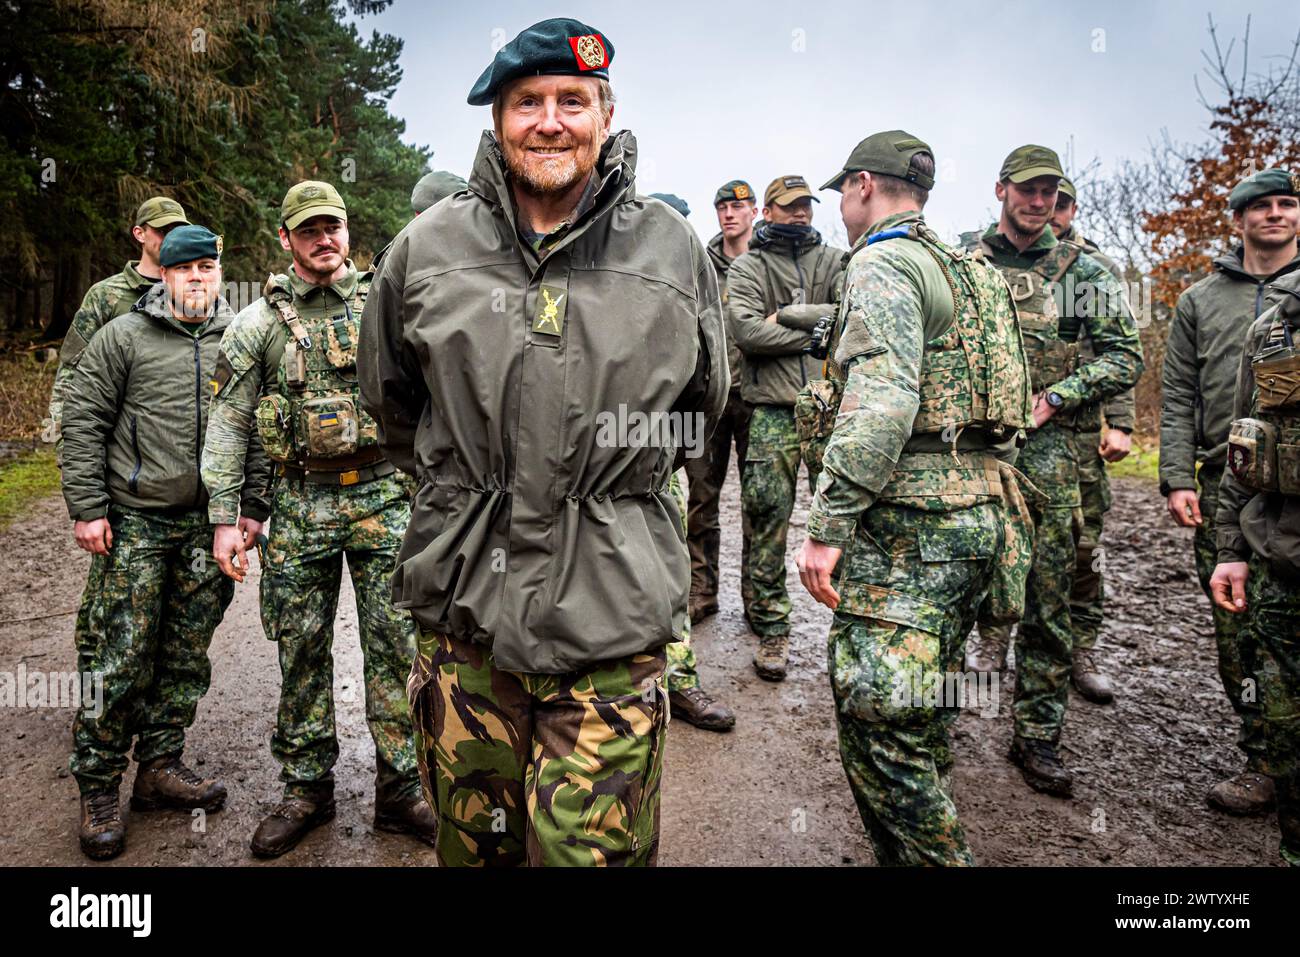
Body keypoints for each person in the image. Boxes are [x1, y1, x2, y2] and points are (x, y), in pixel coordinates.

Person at [359, 17, 727, 866]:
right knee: (477, 849)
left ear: (605, 115)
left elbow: (703, 408)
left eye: (573, 100)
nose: (550, 121)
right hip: (466, 620)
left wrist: (604, 488)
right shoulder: (427, 248)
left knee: (590, 856)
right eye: (528, 102)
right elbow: (391, 401)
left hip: (611, 617)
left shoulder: (671, 251)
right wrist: (474, 480)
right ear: (497, 120)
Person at [796, 129, 1034, 865]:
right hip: (980, 518)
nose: (839, 204)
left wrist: (827, 524)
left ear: (865, 185)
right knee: (922, 712)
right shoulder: (970, 269)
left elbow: (884, 402)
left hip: (911, 534)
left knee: (882, 727)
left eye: (842, 189)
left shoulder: (884, 262)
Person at [201, 180, 436, 858]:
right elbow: (230, 423)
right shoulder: (256, 324)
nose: (323, 239)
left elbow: (430, 395)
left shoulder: (385, 308)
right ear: (286, 239)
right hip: (301, 505)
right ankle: (306, 787)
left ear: (347, 231)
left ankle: (400, 786)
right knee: (301, 647)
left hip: (384, 499)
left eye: (332, 226)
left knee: (395, 644)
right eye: (308, 230)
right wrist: (227, 515)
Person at [963, 146, 1142, 797]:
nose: (1038, 203)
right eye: (1027, 190)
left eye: (1049, 193)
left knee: (1048, 602)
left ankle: (1037, 736)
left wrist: (1060, 395)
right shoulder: (964, 261)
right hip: (973, 455)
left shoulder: (1082, 271)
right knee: (960, 586)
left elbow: (1125, 357)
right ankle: (936, 722)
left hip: (1052, 462)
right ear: (1001, 189)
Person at [61, 225, 234, 860]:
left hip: (206, 525)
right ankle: (99, 784)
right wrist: (88, 507)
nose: (196, 278)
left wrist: (246, 510)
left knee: (185, 655)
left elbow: (257, 424)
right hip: (136, 521)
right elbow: (83, 420)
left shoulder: (236, 336)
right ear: (164, 273)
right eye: (185, 268)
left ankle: (160, 767)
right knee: (120, 655)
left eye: (208, 267)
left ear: (219, 272)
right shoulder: (123, 337)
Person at [1162, 167, 1300, 815]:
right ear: (1239, 219)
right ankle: (1263, 759)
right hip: (1225, 479)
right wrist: (1174, 474)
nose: (1276, 214)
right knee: (1235, 626)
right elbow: (1179, 395)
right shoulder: (1201, 300)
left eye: (1287, 204)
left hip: (1292, 486)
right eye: (1262, 206)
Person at [729, 175, 845, 679]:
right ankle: (772, 627)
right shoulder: (748, 266)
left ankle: (851, 623)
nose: (800, 214)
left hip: (830, 412)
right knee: (767, 519)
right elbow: (748, 331)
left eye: (806, 206)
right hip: (773, 412)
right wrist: (818, 335)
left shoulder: (836, 261)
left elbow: (851, 316)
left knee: (842, 519)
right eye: (789, 207)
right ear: (767, 212)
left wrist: (795, 316)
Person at [1210, 262, 1300, 866]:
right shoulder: (1276, 329)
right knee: (1287, 733)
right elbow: (1248, 443)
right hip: (1285, 564)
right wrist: (1230, 549)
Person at [47, 197, 190, 460]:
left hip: (178, 451)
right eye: (162, 230)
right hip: (118, 447)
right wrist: (64, 442)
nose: (170, 239)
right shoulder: (106, 296)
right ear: (140, 233)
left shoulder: (192, 294)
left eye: (176, 231)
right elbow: (71, 371)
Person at [686, 179, 757, 625]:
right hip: (710, 398)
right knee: (700, 499)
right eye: (722, 208)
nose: (729, 214)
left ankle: (755, 598)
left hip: (754, 395)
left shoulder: (764, 263)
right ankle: (702, 589)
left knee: (758, 503)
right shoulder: (702, 264)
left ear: (755, 212)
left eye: (738, 207)